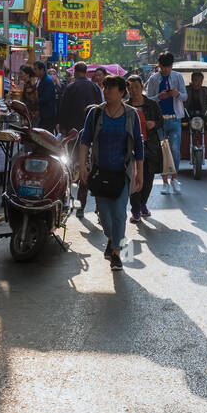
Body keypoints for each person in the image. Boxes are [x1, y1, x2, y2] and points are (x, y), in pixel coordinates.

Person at [76, 75, 144, 271]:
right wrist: (83, 166)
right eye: (104, 88)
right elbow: (85, 141)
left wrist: (139, 172)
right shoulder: (96, 113)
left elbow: (138, 145)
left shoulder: (131, 115)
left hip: (122, 173)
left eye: (110, 89)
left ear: (121, 92)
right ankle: (112, 238)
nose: (106, 92)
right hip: (100, 173)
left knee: (119, 214)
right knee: (104, 217)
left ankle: (116, 254)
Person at [58, 62, 103, 217]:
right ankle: (95, 206)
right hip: (94, 134)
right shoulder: (95, 88)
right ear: (86, 72)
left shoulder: (70, 87)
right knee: (93, 168)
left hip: (74, 133)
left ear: (76, 72)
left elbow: (63, 108)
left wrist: (63, 127)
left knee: (76, 165)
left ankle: (75, 200)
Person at [126, 73, 163, 223]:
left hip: (150, 146)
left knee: (148, 178)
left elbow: (161, 121)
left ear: (142, 87)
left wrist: (153, 124)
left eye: (136, 87)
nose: (134, 90)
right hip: (131, 147)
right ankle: (135, 209)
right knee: (133, 179)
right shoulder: (125, 107)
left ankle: (143, 204)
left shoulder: (152, 105)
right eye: (130, 88)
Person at [153, 52, 186, 190]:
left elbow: (185, 96)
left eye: (168, 67)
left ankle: (174, 179)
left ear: (172, 66)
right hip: (159, 121)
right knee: (162, 152)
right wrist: (159, 96)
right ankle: (165, 182)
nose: (165, 70)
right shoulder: (154, 79)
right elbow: (148, 98)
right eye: (163, 67)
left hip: (175, 119)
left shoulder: (178, 77)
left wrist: (177, 94)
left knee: (175, 150)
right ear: (159, 65)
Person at [36, 62, 59, 133]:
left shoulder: (47, 81)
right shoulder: (41, 80)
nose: (34, 71)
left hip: (47, 114)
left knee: (46, 135)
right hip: (46, 114)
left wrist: (35, 101)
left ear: (42, 69)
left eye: (35, 69)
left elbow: (46, 98)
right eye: (51, 73)